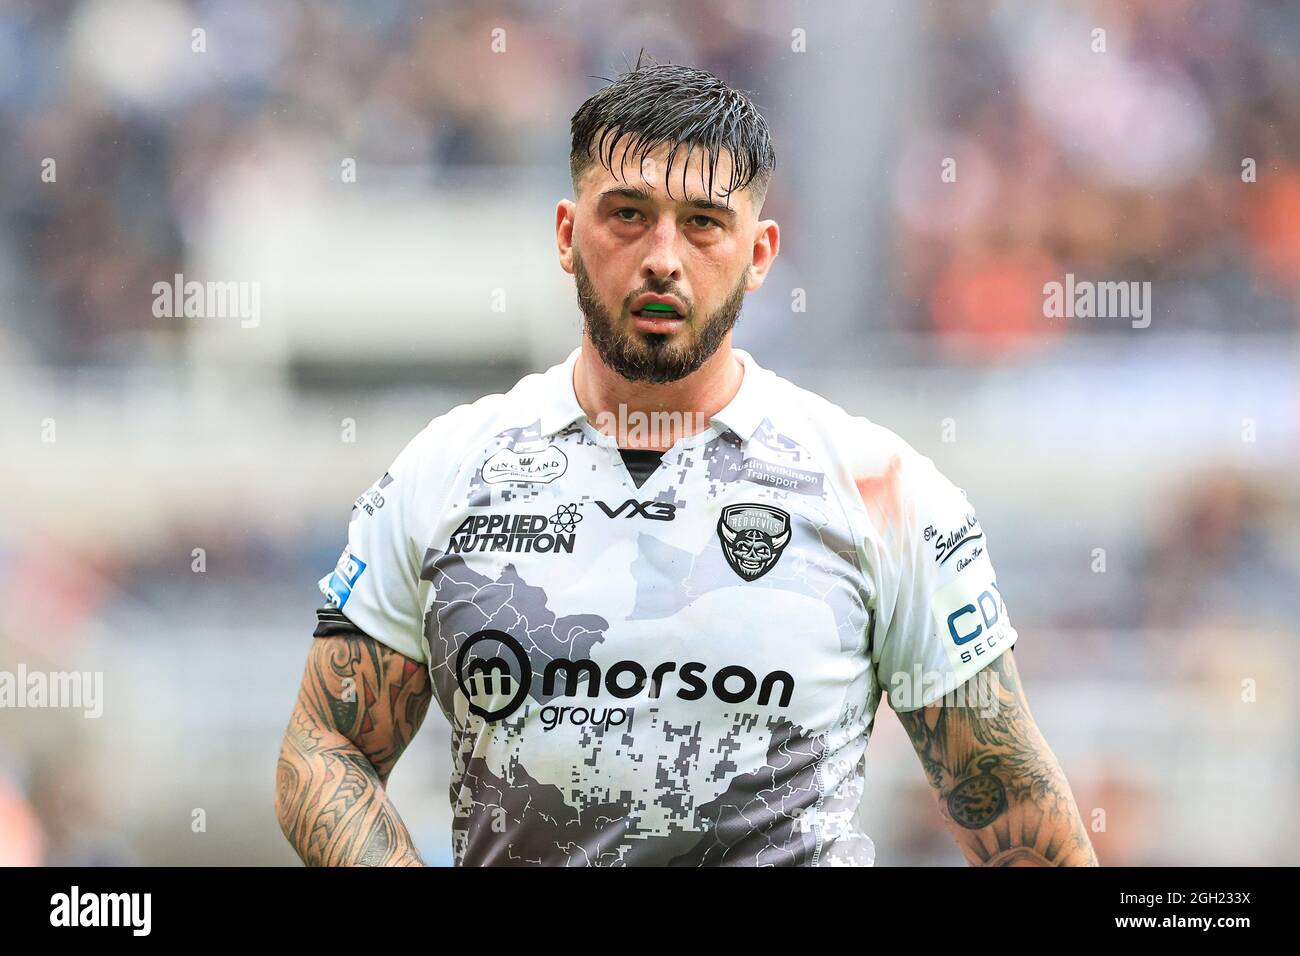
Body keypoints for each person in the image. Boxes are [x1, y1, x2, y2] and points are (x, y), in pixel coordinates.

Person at [275, 59, 1097, 867]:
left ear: (760, 253)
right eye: (627, 215)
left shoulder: (881, 491)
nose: (663, 256)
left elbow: (1018, 812)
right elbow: (325, 748)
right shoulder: (445, 471)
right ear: (567, 234)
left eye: (704, 222)